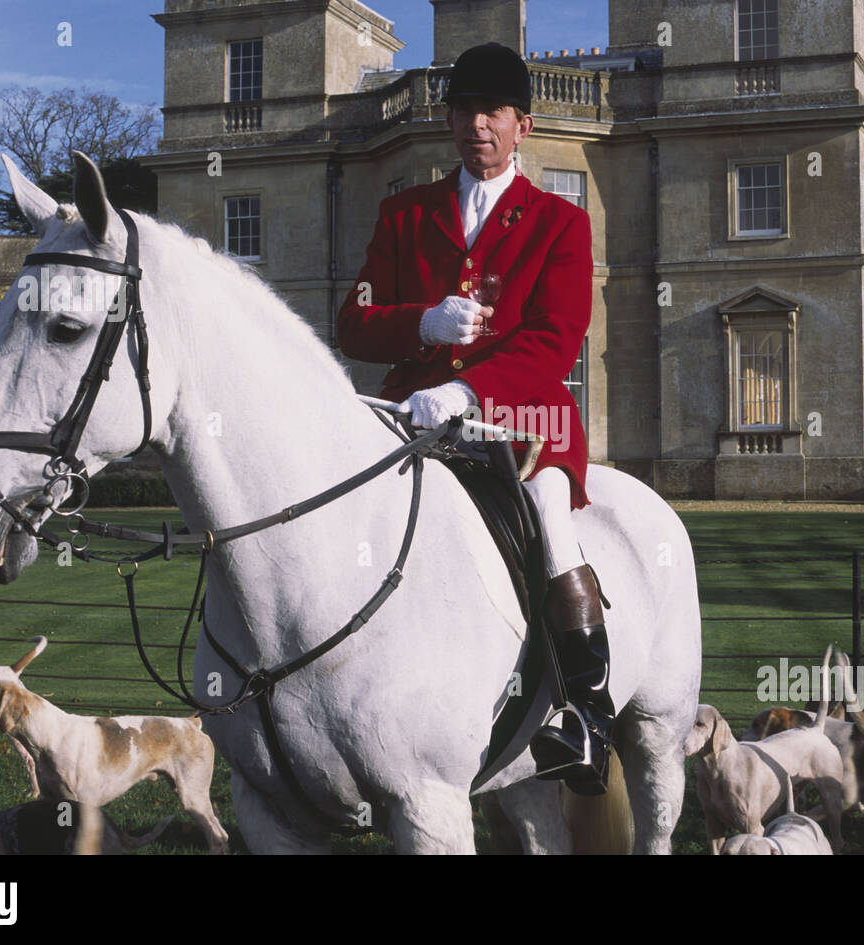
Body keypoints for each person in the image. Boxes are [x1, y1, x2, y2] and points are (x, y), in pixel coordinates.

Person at [336, 42, 613, 795]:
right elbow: (352, 324)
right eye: (463, 110)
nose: (476, 125)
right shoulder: (405, 214)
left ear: (523, 124)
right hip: (410, 411)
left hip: (524, 418)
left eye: (493, 112)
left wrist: (469, 392)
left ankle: (585, 716)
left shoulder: (560, 220)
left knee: (551, 524)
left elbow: (555, 338)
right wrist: (422, 323)